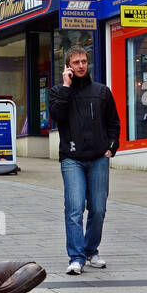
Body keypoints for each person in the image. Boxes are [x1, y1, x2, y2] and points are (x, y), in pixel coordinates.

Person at [48, 46, 120, 275]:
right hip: (72, 159)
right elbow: (57, 116)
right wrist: (67, 87)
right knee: (75, 208)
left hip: (99, 158)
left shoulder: (101, 92)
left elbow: (114, 123)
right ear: (67, 66)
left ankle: (90, 250)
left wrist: (111, 146)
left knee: (98, 209)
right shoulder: (58, 91)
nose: (81, 66)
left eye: (84, 61)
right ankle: (76, 257)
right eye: (76, 62)